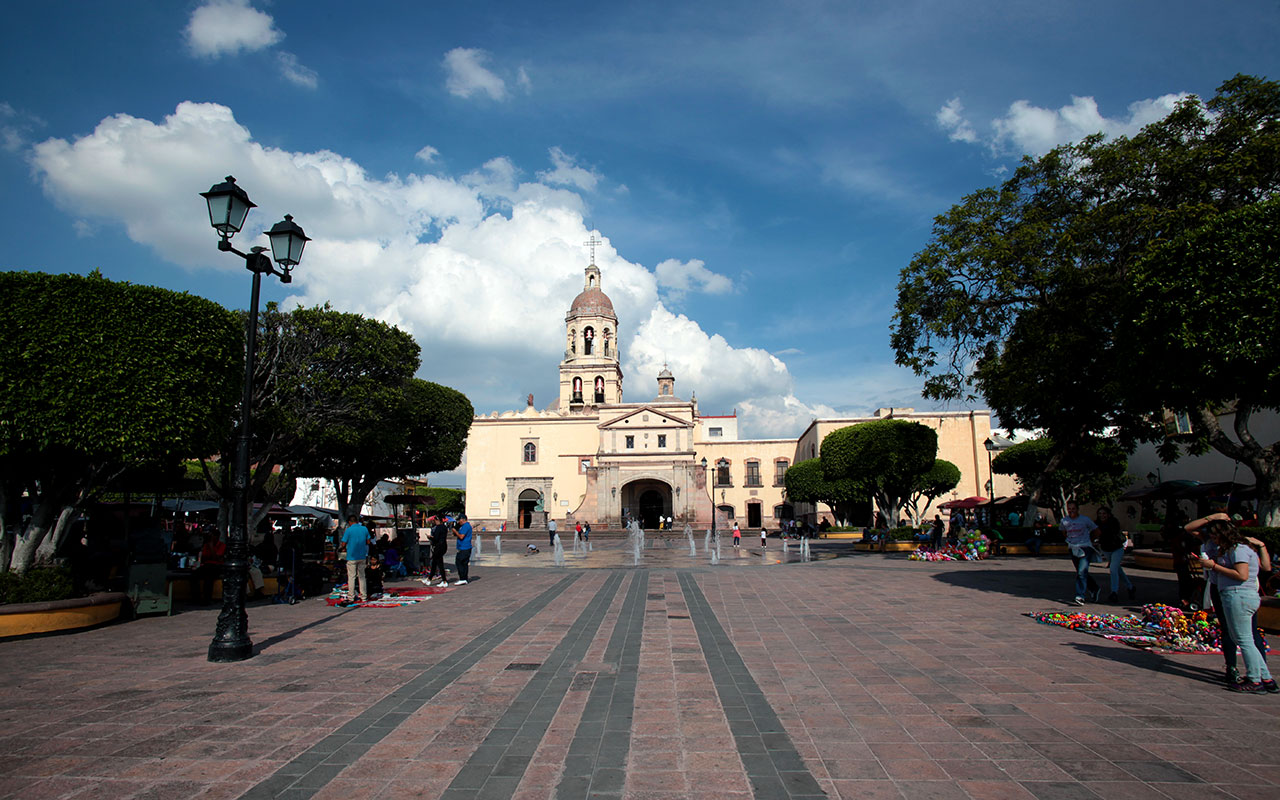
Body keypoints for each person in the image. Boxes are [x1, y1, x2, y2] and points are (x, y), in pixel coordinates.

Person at [1195, 515, 1277, 693]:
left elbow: (1242, 575)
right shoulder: (1241, 549)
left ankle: (1255, 679)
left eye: (1216, 537)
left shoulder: (1238, 549)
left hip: (1238, 595)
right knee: (1246, 639)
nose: (1214, 541)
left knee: (1244, 640)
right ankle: (1265, 677)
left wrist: (1213, 566)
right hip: (1239, 596)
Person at [1060, 501, 1100, 606]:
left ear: (1077, 509)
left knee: (1082, 572)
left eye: (1073, 508)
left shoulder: (1085, 520)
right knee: (1080, 572)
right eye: (1069, 509)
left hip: (1085, 547)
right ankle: (1094, 588)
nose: (1071, 511)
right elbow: (1064, 532)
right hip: (1073, 547)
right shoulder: (1064, 521)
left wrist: (1090, 540)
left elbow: (1096, 530)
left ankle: (1080, 596)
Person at [1096, 506, 1135, 603]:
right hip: (1106, 549)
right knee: (1117, 569)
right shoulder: (1096, 523)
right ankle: (1130, 587)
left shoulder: (1113, 522)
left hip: (1117, 548)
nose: (1102, 515)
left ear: (1108, 514)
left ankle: (1114, 592)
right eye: (1100, 514)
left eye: (1104, 513)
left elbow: (1110, 533)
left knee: (1113, 569)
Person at [341, 515, 373, 603]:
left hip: (352, 556)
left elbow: (343, 543)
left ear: (350, 522)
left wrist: (343, 547)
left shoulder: (349, 530)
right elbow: (368, 541)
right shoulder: (364, 529)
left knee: (351, 577)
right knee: (362, 576)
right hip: (362, 556)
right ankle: (364, 596)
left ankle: (351, 596)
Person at [195, 530, 226, 605]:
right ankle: (196, 598)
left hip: (216, 566)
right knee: (194, 576)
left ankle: (207, 599)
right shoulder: (206, 545)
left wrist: (212, 547)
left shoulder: (222, 546)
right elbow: (203, 558)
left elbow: (216, 558)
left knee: (208, 578)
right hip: (206, 565)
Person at [426, 516, 449, 585]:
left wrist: (430, 538)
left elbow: (436, 538)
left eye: (435, 521)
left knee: (439, 563)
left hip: (439, 546)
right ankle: (429, 579)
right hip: (444, 545)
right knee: (435, 562)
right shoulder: (445, 527)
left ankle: (444, 581)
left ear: (437, 520)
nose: (435, 522)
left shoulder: (438, 528)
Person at [454, 514, 473, 585]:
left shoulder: (465, 526)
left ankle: (462, 578)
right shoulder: (465, 526)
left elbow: (461, 536)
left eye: (459, 520)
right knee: (464, 563)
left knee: (459, 562)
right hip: (465, 547)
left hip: (464, 547)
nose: (459, 521)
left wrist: (455, 531)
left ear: (463, 519)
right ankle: (464, 578)